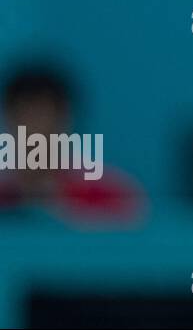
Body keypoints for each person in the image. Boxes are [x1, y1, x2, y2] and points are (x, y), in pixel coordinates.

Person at [0, 64, 144, 223]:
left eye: (47, 115)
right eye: (25, 114)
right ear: (7, 118)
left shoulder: (115, 195)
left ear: (68, 119)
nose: (37, 127)